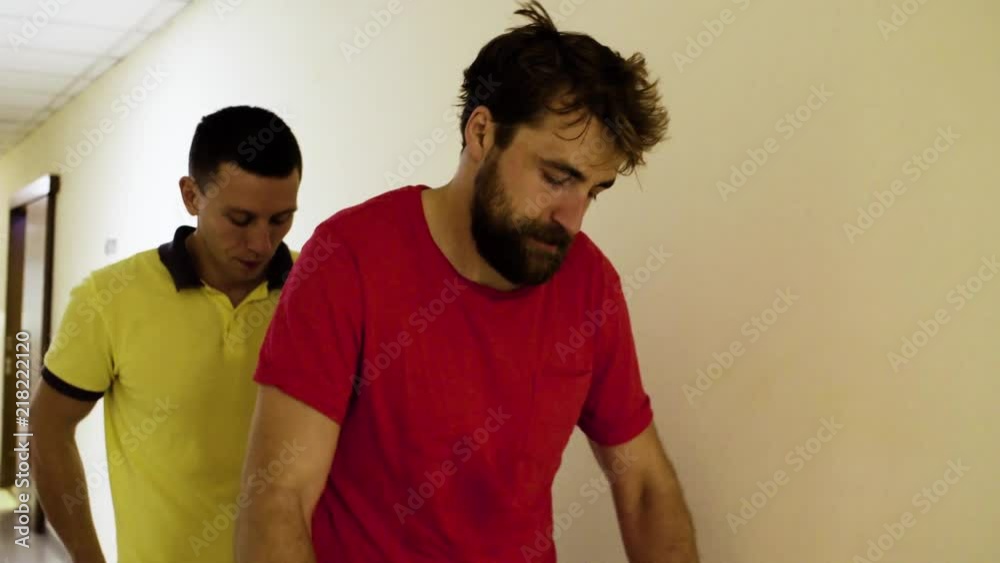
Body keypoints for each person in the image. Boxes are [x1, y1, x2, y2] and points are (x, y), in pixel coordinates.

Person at [236, 2, 698, 562]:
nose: (572, 218)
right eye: (556, 177)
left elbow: (644, 485)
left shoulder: (590, 285)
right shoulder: (348, 259)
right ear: (482, 132)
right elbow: (278, 500)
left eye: (594, 191)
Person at [33, 105, 303, 563]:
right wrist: (86, 557)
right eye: (240, 219)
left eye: (280, 219)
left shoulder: (320, 289)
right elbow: (47, 427)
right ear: (191, 196)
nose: (262, 243)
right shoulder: (109, 298)